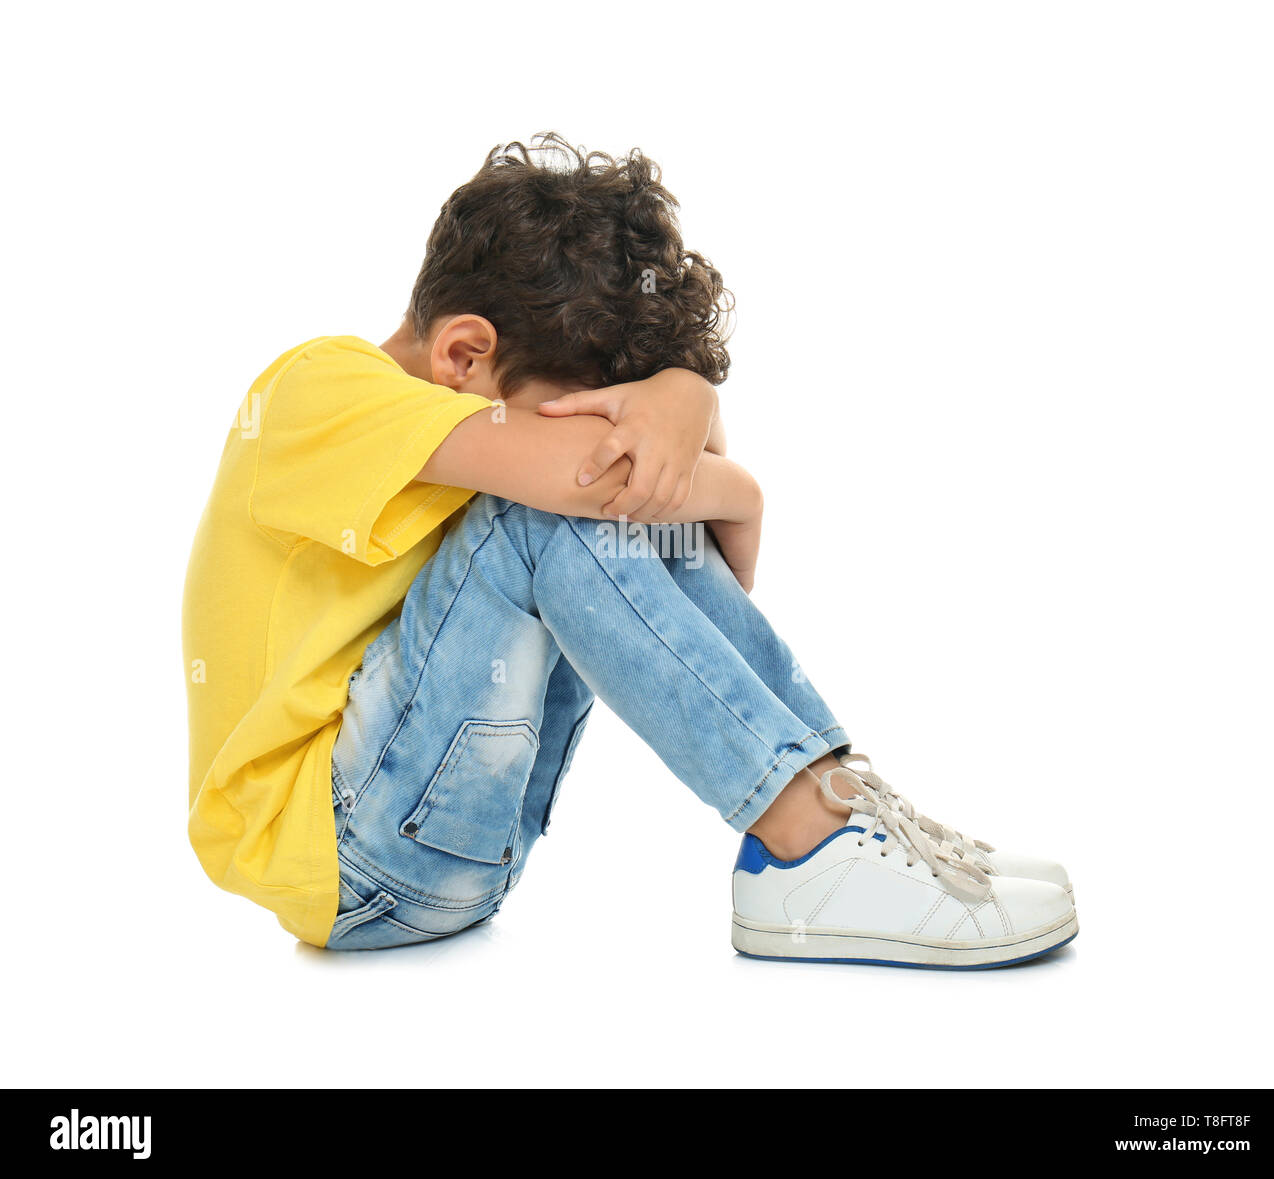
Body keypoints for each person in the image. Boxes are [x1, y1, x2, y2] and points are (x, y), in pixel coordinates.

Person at [183, 134, 1076, 967]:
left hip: (460, 849)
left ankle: (834, 805)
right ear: (463, 355)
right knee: (556, 512)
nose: (618, 438)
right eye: (596, 412)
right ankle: (805, 837)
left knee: (609, 503)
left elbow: (668, 503)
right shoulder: (316, 389)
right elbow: (606, 485)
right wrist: (726, 467)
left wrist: (682, 397)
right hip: (346, 845)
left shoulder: (459, 416)